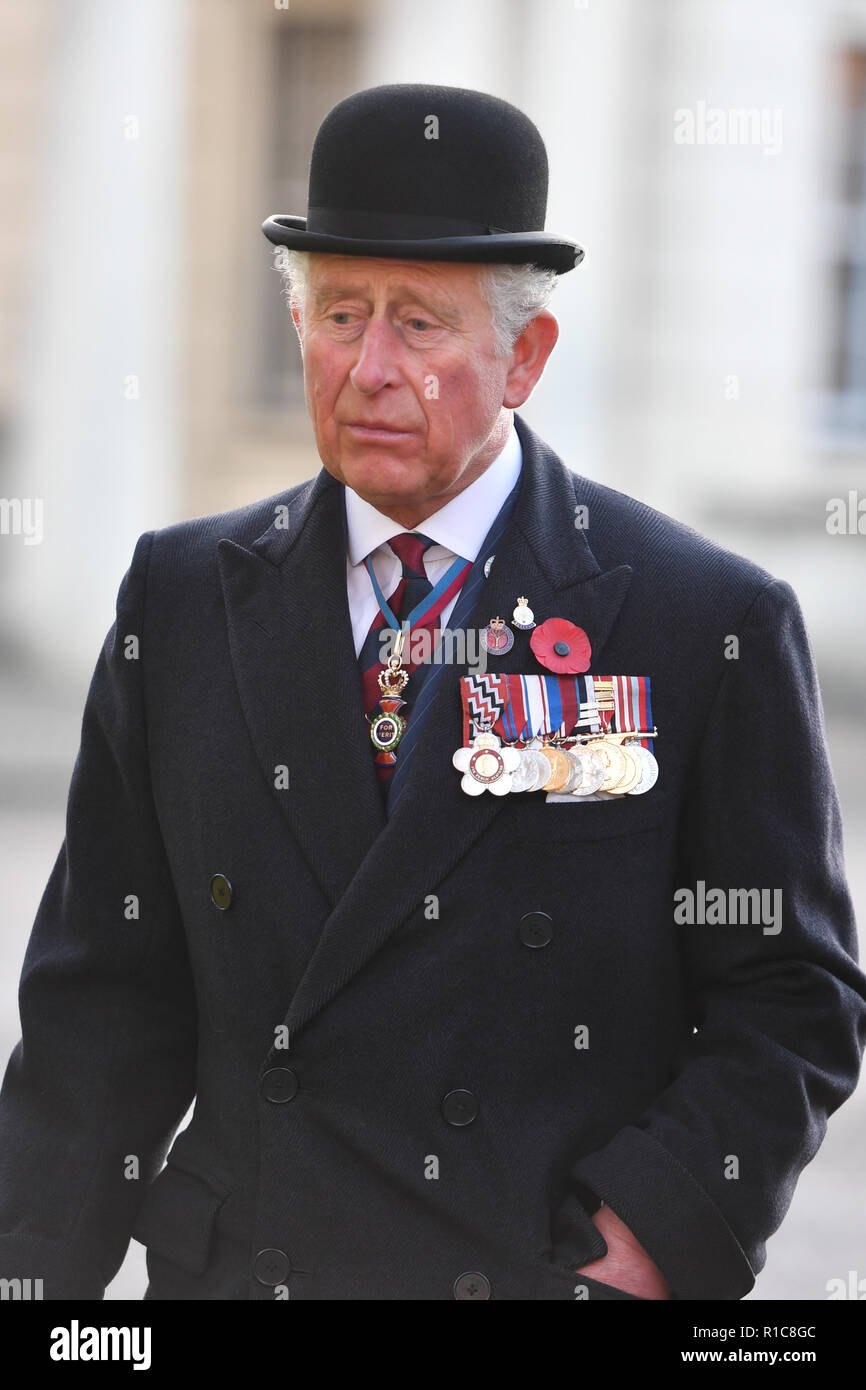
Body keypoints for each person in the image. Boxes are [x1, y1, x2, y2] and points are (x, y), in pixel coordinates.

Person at [0, 83, 863, 1302]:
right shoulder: (181, 599)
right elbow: (100, 1003)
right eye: (339, 313)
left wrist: (648, 1245)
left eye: (419, 323)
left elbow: (787, 993)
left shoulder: (698, 620)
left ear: (523, 355)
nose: (368, 369)